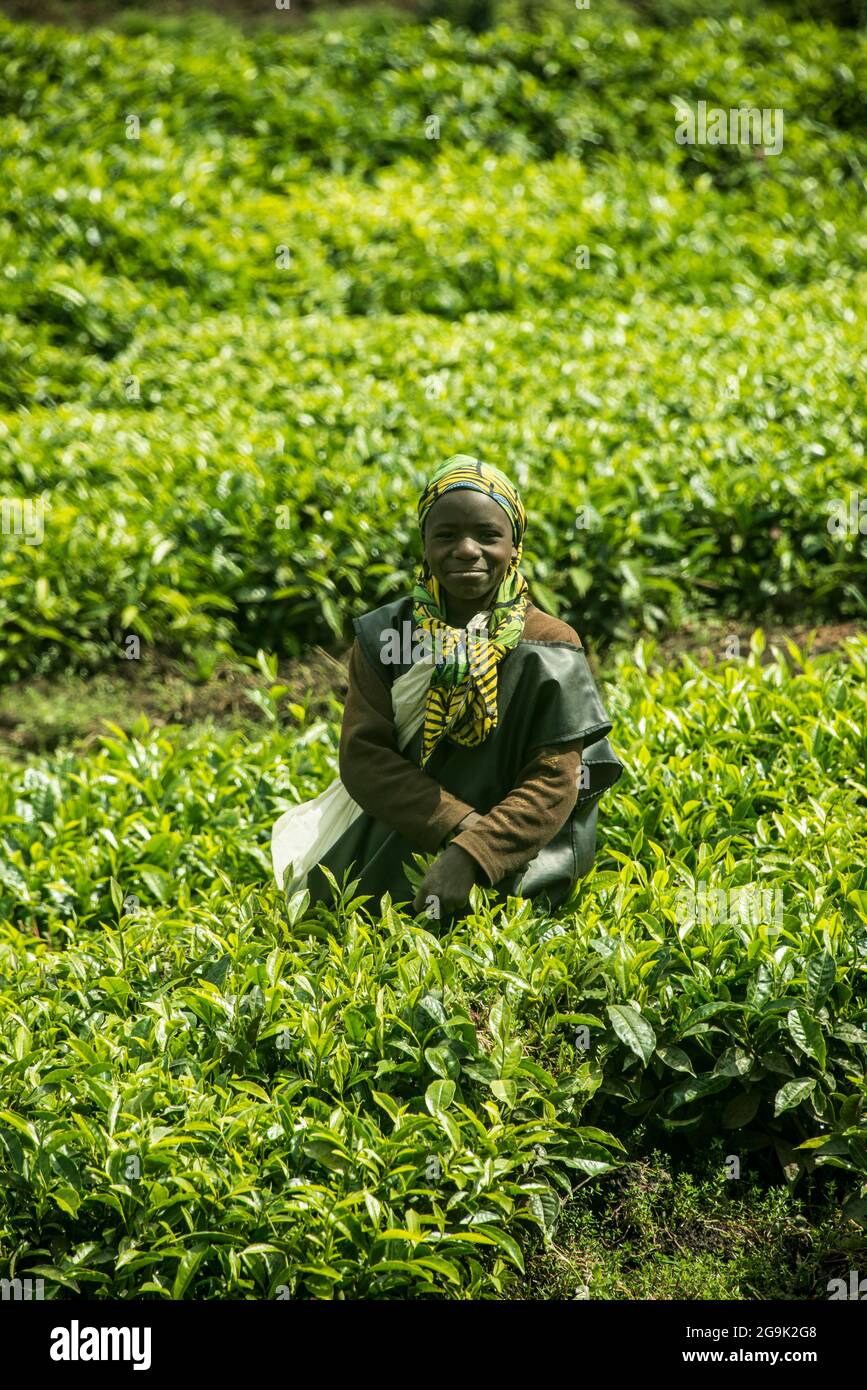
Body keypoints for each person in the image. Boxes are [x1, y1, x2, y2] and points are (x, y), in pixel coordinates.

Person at [271, 454, 622, 921]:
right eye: (446, 535)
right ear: (425, 545)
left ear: (514, 546)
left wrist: (477, 853)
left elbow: (555, 780)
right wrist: (458, 829)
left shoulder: (550, 645)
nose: (467, 549)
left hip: (520, 866)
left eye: (487, 536)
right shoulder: (386, 635)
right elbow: (365, 759)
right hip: (403, 850)